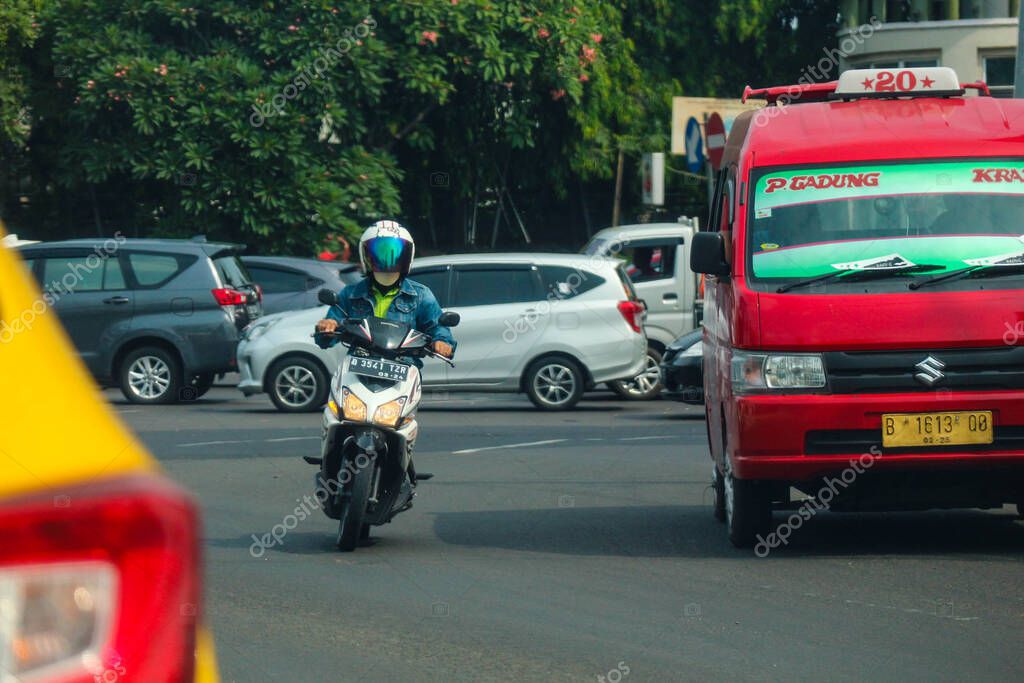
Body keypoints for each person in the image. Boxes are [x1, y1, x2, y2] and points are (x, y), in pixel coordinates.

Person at [314, 220, 455, 361]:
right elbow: (326, 337)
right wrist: (327, 326)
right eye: (380, 253)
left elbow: (437, 326)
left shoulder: (420, 295)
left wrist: (442, 342)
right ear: (366, 256)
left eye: (395, 253)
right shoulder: (351, 294)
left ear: (407, 256)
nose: (388, 259)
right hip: (358, 365)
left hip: (403, 368)